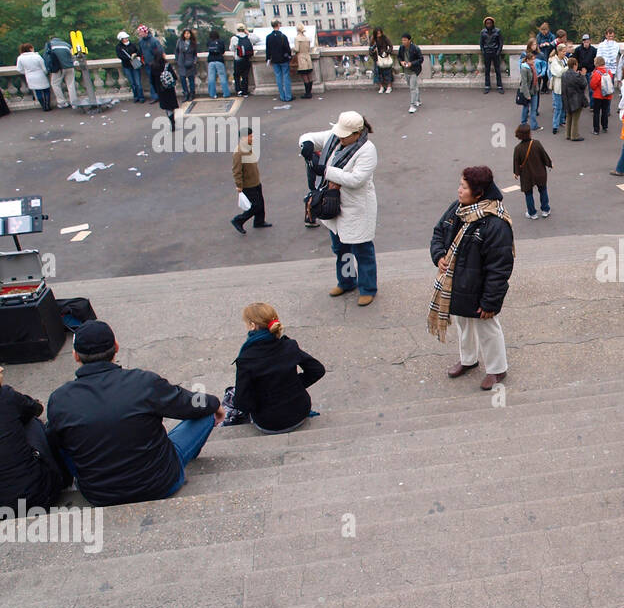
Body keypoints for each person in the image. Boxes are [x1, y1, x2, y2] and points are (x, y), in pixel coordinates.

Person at [45, 320, 225, 506]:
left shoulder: (60, 399)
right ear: (116, 347)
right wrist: (215, 404)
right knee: (205, 413)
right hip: (161, 483)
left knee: (59, 436)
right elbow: (191, 404)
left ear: (75, 355)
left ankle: (77, 481)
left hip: (99, 495)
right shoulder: (144, 382)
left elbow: (54, 444)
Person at [428, 166, 516, 390]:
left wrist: (490, 302)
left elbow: (500, 268)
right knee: (464, 324)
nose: (459, 190)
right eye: (460, 185)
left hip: (479, 289)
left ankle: (497, 369)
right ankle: (468, 360)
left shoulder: (495, 224)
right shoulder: (458, 209)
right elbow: (439, 232)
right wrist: (439, 256)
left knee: (487, 328)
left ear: (479, 193)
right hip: (458, 284)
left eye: (464, 187)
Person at [301, 112, 379, 305]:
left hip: (356, 208)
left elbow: (356, 179)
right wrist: (307, 145)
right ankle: (346, 281)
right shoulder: (335, 138)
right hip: (333, 205)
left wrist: (327, 171)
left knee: (362, 250)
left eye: (345, 136)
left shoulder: (367, 150)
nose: (341, 138)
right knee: (340, 248)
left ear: (357, 133)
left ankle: (368, 288)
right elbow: (307, 137)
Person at [232, 304, 325, 434]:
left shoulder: (246, 358)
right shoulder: (289, 346)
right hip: (299, 412)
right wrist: (294, 385)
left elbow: (242, 401)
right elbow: (317, 370)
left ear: (252, 326)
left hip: (268, 422)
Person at [0, 365, 68, 511]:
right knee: (31, 423)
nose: (1, 369)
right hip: (37, 497)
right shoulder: (5, 396)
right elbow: (35, 409)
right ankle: (64, 475)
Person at [231, 123, 270, 234]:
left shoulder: (248, 147)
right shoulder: (238, 152)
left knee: (261, 203)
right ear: (243, 137)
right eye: (250, 136)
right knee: (256, 205)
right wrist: (239, 185)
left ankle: (259, 221)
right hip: (248, 184)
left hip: (255, 181)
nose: (252, 138)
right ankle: (238, 220)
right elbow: (236, 170)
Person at [513, 123, 554, 219]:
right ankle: (545, 210)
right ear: (529, 133)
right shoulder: (536, 143)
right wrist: (550, 164)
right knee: (543, 190)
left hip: (526, 175)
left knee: (528, 193)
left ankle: (532, 213)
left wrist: (516, 173)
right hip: (540, 172)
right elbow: (544, 155)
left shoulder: (518, 148)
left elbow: (516, 162)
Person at [43, 36, 78, 108]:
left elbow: (46, 57)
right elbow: (74, 56)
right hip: (69, 67)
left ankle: (62, 102)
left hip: (58, 68)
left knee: (55, 84)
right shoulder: (66, 44)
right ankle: (74, 103)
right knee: (71, 85)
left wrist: (48, 68)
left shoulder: (49, 44)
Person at [16, 42, 52, 111]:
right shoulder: (37, 56)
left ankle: (43, 106)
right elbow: (43, 67)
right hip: (40, 74)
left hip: (30, 76)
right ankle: (47, 105)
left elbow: (19, 69)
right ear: (30, 48)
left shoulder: (20, 58)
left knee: (38, 91)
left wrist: (26, 72)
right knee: (46, 90)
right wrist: (46, 72)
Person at [265, 19, 294, 102]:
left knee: (278, 77)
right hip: (283, 59)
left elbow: (268, 49)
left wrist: (268, 58)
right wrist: (289, 56)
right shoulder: (283, 36)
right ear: (278, 25)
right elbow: (287, 48)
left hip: (274, 59)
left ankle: (282, 96)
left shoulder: (268, 37)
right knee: (286, 77)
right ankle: (288, 96)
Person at [561, 55, 587, 142]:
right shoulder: (577, 76)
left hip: (567, 98)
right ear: (575, 65)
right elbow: (583, 85)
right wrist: (583, 75)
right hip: (576, 99)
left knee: (569, 117)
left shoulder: (564, 75)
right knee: (575, 118)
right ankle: (574, 135)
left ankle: (568, 134)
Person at [152, 54, 180, 134]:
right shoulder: (167, 65)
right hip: (169, 88)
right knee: (171, 105)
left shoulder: (153, 67)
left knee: (166, 107)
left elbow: (152, 80)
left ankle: (171, 120)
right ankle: (172, 119)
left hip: (160, 89)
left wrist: (156, 89)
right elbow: (174, 76)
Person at [116, 31, 146, 103]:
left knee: (138, 83)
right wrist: (129, 58)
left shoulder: (132, 45)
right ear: (121, 39)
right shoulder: (118, 47)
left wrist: (135, 54)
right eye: (125, 38)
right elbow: (120, 56)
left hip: (135, 65)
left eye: (127, 38)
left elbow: (139, 52)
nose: (126, 39)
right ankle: (136, 97)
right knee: (132, 83)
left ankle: (141, 97)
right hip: (127, 66)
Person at [136, 26, 164, 103]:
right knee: (151, 81)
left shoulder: (154, 41)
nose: (139, 34)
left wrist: (157, 62)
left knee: (158, 81)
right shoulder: (141, 42)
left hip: (156, 64)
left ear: (145, 32)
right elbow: (141, 52)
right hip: (147, 64)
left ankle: (161, 96)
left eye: (140, 32)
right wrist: (140, 58)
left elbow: (160, 52)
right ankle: (155, 96)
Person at [398, 33, 423, 113]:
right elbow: (399, 57)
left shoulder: (415, 48)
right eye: (402, 40)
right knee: (412, 86)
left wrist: (412, 63)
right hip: (406, 70)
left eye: (405, 40)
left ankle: (413, 105)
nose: (403, 42)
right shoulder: (401, 48)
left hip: (414, 70)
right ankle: (418, 100)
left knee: (412, 87)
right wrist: (401, 62)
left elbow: (421, 59)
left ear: (409, 40)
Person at [589, 56, 613, 135]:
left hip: (598, 95)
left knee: (596, 112)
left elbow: (593, 85)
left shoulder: (597, 72)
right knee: (605, 111)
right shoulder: (608, 71)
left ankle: (596, 129)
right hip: (607, 95)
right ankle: (605, 126)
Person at [480, 16, 504, 93]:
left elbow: (501, 42)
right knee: (487, 70)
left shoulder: (498, 31)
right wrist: (483, 52)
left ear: (493, 23)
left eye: (490, 23)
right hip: (487, 53)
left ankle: (499, 86)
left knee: (497, 70)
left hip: (495, 52)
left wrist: (498, 52)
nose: (488, 24)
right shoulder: (483, 32)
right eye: (487, 23)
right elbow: (481, 43)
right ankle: (487, 86)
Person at [548, 43, 569, 133]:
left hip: (565, 86)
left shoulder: (565, 59)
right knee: (558, 107)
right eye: (563, 51)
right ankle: (555, 126)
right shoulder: (554, 62)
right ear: (559, 51)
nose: (565, 53)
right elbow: (559, 73)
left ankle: (562, 121)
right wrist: (568, 67)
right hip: (558, 87)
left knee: (564, 106)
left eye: (565, 51)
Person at [517, 48, 540, 131]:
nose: (534, 61)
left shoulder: (532, 67)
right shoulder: (524, 69)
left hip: (534, 90)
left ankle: (534, 125)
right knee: (526, 108)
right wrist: (527, 95)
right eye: (532, 60)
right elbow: (524, 83)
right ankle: (523, 123)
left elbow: (535, 78)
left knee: (533, 109)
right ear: (527, 60)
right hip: (527, 92)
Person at [230, 23, 255, 97]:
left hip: (238, 59)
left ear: (237, 30)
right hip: (247, 59)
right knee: (245, 76)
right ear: (244, 29)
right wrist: (248, 33)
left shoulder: (234, 38)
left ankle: (239, 90)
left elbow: (231, 49)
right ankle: (245, 91)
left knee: (237, 75)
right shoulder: (248, 37)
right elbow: (257, 39)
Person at [293, 24, 316, 100]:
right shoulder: (307, 38)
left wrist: (292, 48)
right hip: (307, 57)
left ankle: (307, 93)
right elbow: (309, 48)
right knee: (309, 75)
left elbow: (296, 49)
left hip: (301, 57)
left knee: (304, 76)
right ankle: (309, 92)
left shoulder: (297, 38)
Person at [206, 28, 230, 98]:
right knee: (222, 77)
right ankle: (226, 93)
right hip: (219, 60)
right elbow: (223, 51)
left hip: (211, 61)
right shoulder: (221, 41)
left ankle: (212, 94)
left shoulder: (209, 42)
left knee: (211, 78)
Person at [176, 28, 199, 102]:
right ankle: (186, 93)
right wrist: (177, 60)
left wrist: (194, 61)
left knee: (191, 79)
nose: (187, 35)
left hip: (190, 62)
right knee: (182, 79)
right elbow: (176, 51)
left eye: (188, 33)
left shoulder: (193, 42)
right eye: (185, 33)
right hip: (182, 62)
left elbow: (195, 53)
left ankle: (192, 93)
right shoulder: (179, 41)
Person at [370, 28, 395, 94]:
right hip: (377, 58)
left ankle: (389, 86)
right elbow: (370, 49)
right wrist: (373, 51)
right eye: (377, 33)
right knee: (378, 73)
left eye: (380, 33)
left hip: (384, 57)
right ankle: (381, 87)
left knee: (387, 72)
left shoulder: (385, 38)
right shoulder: (373, 40)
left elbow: (391, 46)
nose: (379, 34)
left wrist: (387, 52)